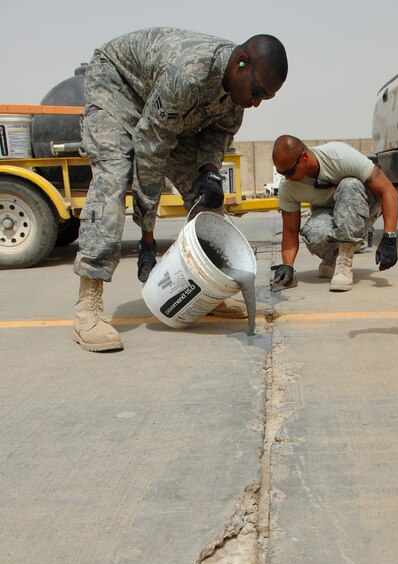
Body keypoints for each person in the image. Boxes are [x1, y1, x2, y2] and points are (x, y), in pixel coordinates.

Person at [73, 28, 288, 352]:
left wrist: (209, 172)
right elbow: (150, 152)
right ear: (241, 63)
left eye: (266, 98)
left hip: (165, 112)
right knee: (113, 179)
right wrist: (147, 237)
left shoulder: (236, 93)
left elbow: (218, 134)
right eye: (257, 91)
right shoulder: (188, 74)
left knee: (207, 202)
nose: (256, 102)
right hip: (117, 92)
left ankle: (207, 290)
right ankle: (87, 309)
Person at [271, 135, 398, 292]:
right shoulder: (289, 187)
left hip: (365, 204)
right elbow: (290, 230)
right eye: (280, 172)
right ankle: (334, 258)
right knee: (313, 234)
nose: (286, 177)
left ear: (304, 158)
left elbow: (388, 190)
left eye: (289, 171)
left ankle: (344, 263)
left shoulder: (340, 156)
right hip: (331, 211)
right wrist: (287, 265)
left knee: (349, 185)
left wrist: (389, 238)